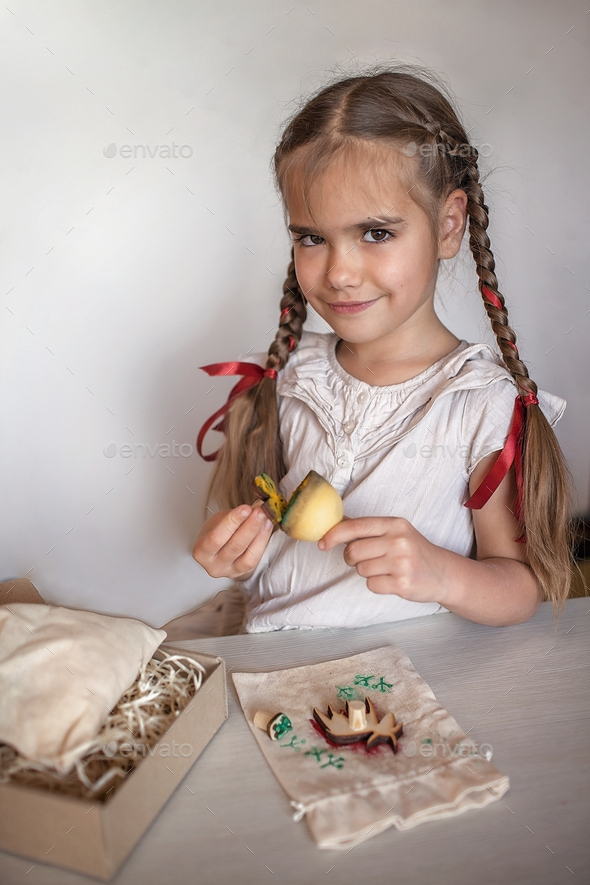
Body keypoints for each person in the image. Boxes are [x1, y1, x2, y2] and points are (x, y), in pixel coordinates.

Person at [191, 65, 573, 634]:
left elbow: (521, 588)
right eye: (312, 238)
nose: (340, 273)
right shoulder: (291, 377)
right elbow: (249, 521)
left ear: (448, 226)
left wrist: (441, 573)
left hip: (407, 693)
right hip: (278, 672)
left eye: (376, 233)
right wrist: (229, 546)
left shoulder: (478, 403)